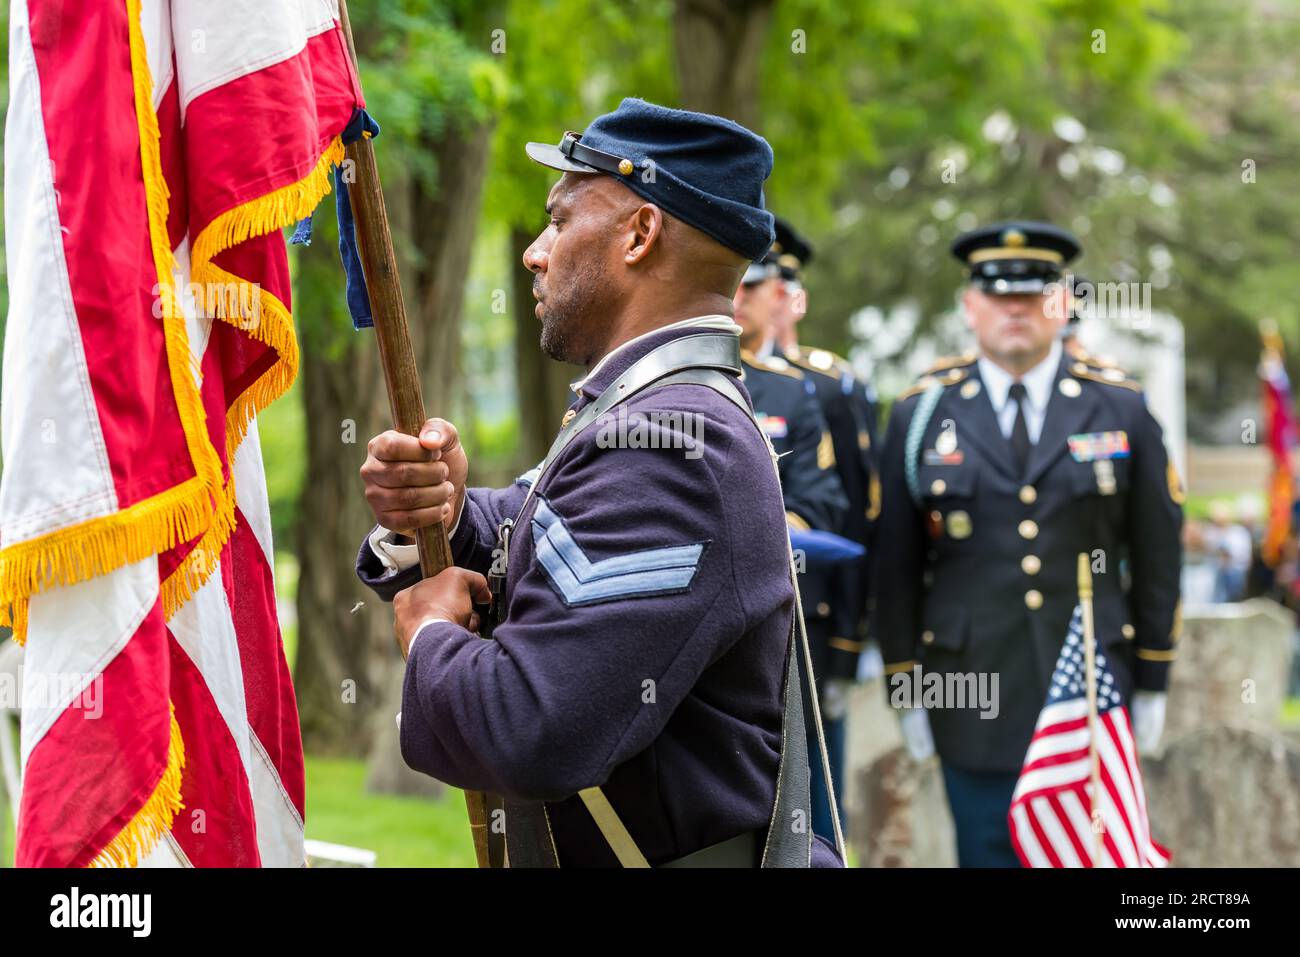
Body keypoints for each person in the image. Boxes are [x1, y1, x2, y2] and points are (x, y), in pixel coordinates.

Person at [355, 98, 842, 867]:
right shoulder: (652, 417)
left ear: (640, 234)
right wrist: (438, 509)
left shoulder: (674, 444)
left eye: (558, 220)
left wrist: (432, 637)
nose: (534, 252)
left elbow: (531, 727)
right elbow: (540, 529)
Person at [871, 221, 1184, 867]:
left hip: (1092, 694)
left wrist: (1153, 678)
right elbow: (895, 567)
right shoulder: (921, 413)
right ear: (971, 306)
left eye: (1033, 295)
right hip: (971, 692)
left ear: (1062, 304)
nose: (1015, 309)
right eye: (998, 295)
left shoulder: (1120, 407)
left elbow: (1158, 552)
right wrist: (905, 690)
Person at [751, 216, 881, 840]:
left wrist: (853, 639)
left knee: (818, 809)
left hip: (809, 617)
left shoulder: (819, 388)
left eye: (764, 285)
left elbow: (854, 514)